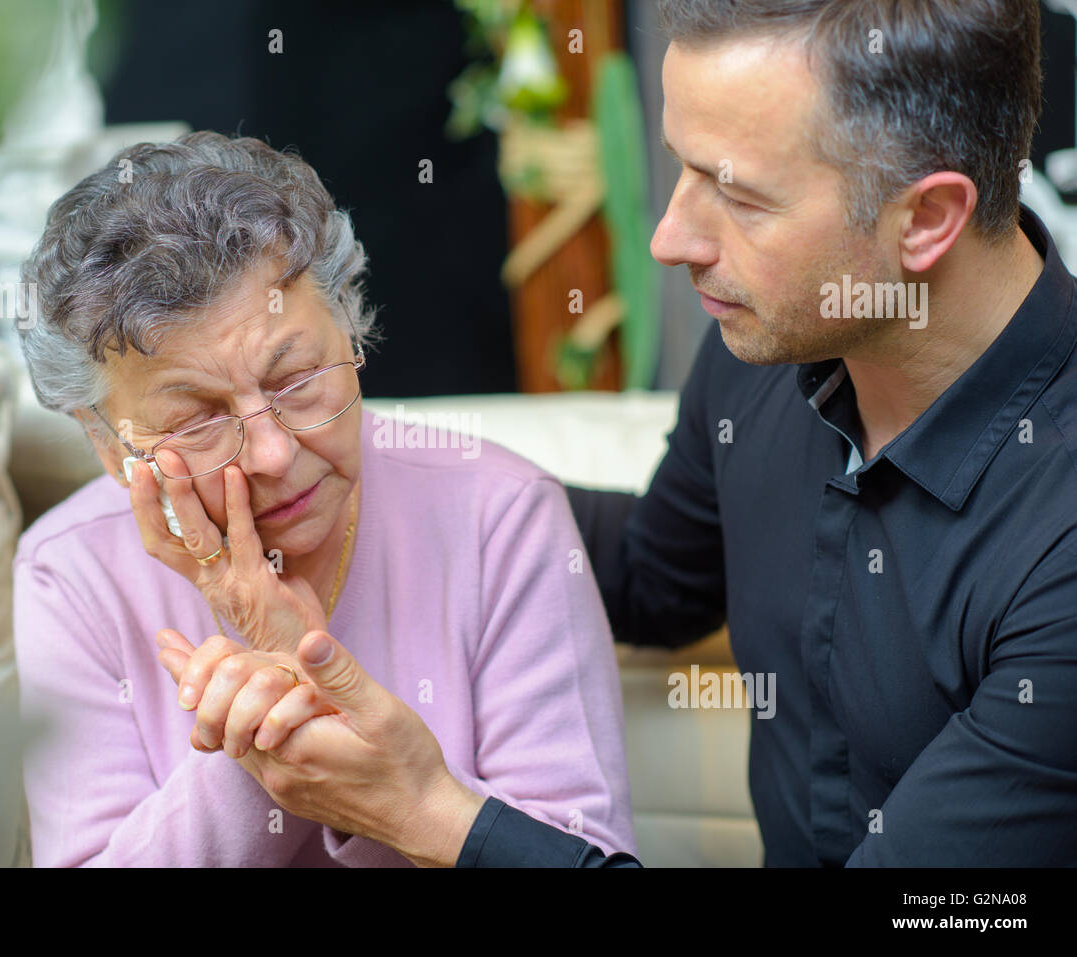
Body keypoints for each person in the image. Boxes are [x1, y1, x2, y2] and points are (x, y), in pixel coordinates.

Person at [173, 0, 1077, 866]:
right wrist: (322, 467)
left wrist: (428, 812)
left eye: (741, 198)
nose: (671, 236)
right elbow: (655, 574)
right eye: (680, 164)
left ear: (925, 219)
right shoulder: (767, 355)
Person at [10, 131, 637, 866]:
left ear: (349, 326)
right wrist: (256, 745)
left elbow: (578, 854)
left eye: (297, 377)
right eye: (197, 420)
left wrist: (373, 773)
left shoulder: (501, 514)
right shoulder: (70, 573)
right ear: (111, 447)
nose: (276, 452)